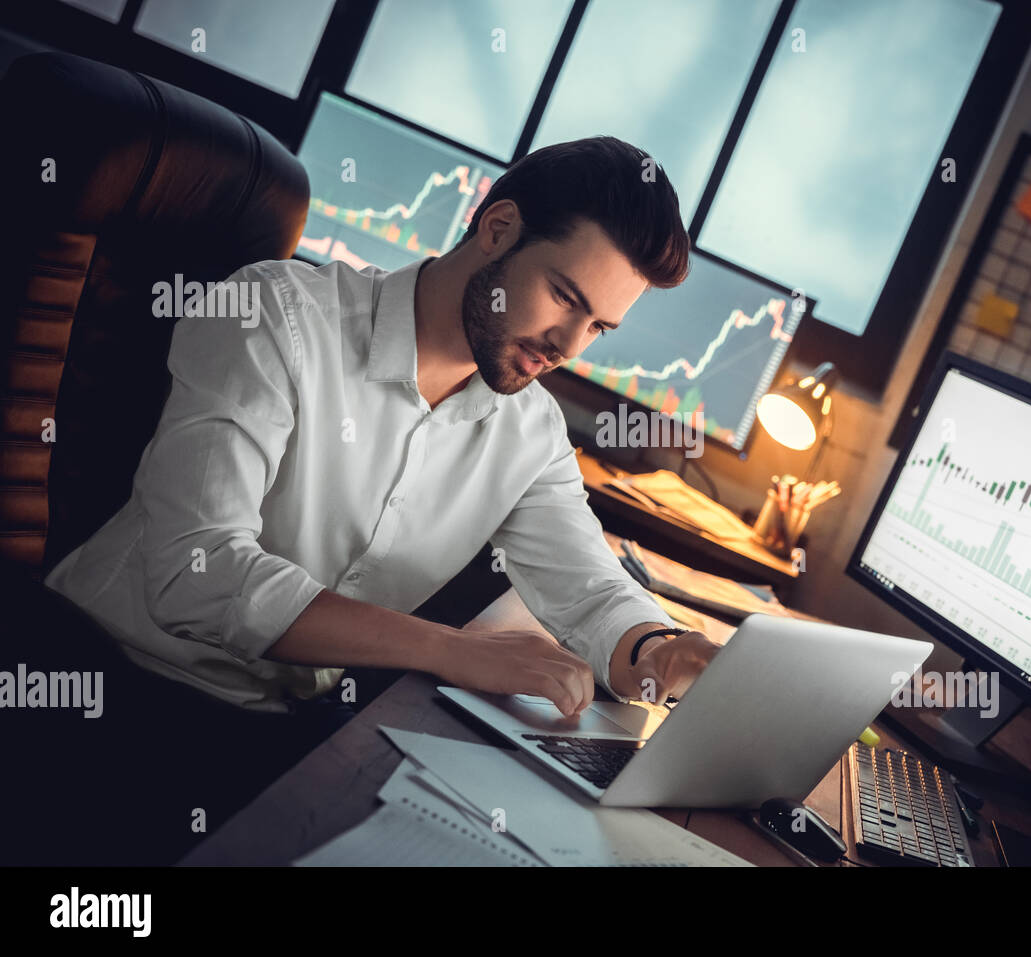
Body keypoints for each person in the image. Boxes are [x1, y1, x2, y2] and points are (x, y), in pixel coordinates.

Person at [38, 136, 718, 861]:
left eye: (598, 327)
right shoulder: (274, 313)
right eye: (565, 298)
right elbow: (194, 570)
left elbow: (589, 590)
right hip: (110, 687)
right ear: (498, 228)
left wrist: (662, 649)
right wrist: (450, 650)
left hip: (282, 728)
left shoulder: (530, 427)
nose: (569, 345)